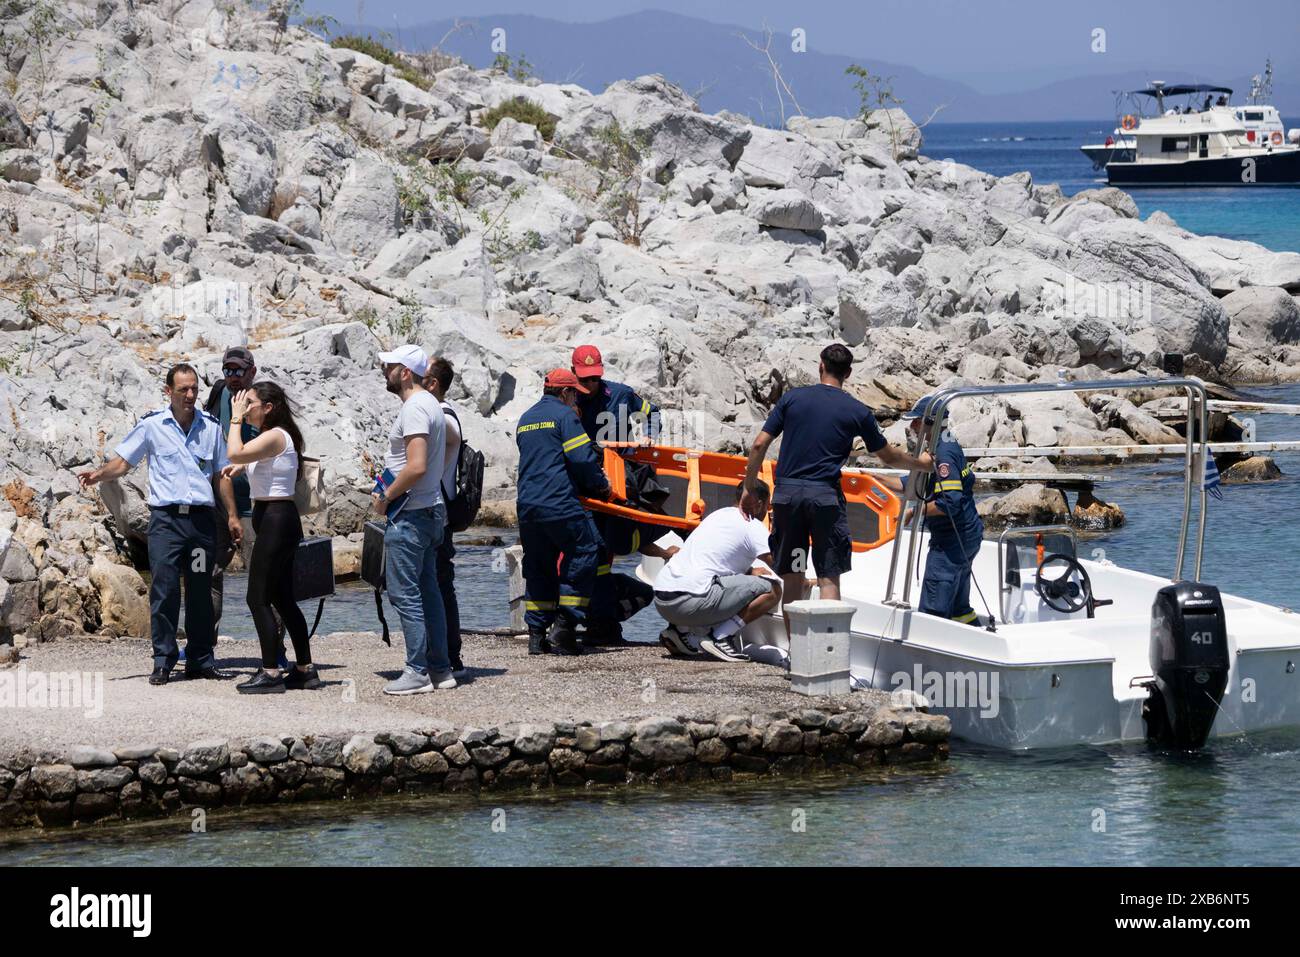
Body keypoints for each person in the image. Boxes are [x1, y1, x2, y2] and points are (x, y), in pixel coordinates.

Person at [740, 344, 932, 633]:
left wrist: (748, 487)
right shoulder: (857, 410)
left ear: (821, 366)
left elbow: (758, 444)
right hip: (824, 500)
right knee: (829, 575)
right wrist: (922, 464)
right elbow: (888, 456)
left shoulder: (792, 399)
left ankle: (797, 652)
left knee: (793, 574)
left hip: (788, 498)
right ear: (849, 374)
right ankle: (828, 650)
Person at [78, 363, 239, 685]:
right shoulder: (153, 426)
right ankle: (163, 661)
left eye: (194, 388)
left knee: (199, 592)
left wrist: (233, 515)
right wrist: (98, 475)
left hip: (200, 523)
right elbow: (124, 462)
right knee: (164, 591)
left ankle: (201, 660)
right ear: (169, 392)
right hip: (166, 523)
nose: (191, 395)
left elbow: (221, 474)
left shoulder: (209, 427)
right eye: (183, 389)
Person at [220, 382, 321, 693]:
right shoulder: (274, 437)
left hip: (277, 519)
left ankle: (271, 672)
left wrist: (235, 418)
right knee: (282, 597)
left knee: (257, 597)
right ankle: (305, 669)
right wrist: (243, 467)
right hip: (276, 518)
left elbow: (234, 449)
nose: (245, 406)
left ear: (268, 407)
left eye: (250, 402)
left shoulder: (276, 435)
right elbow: (254, 459)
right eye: (243, 403)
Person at [516, 368, 612, 656]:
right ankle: (565, 625)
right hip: (559, 503)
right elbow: (581, 459)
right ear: (565, 393)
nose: (578, 402)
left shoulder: (526, 418)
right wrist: (602, 486)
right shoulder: (564, 416)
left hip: (527, 507)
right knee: (587, 550)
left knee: (538, 565)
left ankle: (536, 635)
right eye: (576, 396)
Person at [376, 344, 454, 695]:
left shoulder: (415, 408)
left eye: (389, 366)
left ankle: (417, 671)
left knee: (404, 594)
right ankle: (440, 669)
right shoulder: (432, 405)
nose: (384, 371)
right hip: (429, 510)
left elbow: (417, 465)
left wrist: (386, 497)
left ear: (405, 372)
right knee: (428, 591)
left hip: (410, 515)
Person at [205, 346, 286, 664]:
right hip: (219, 504)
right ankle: (203, 648)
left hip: (255, 509)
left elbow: (275, 444)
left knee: (266, 581)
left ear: (252, 371)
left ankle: (275, 651)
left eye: (239, 371)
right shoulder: (219, 392)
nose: (233, 377)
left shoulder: (261, 402)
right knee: (208, 574)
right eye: (228, 370)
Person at [654, 481, 781, 663]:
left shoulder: (717, 515)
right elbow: (780, 564)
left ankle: (678, 631)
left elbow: (717, 557)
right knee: (773, 589)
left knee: (705, 578)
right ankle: (721, 637)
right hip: (689, 603)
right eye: (767, 506)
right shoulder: (752, 524)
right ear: (759, 504)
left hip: (662, 600)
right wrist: (800, 572)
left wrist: (750, 570)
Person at [895, 396, 985, 626]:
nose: (913, 426)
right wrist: (873, 479)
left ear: (930, 423)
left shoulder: (943, 455)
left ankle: (929, 658)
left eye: (917, 422)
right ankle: (973, 644)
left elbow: (950, 503)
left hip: (951, 543)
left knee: (933, 609)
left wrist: (915, 513)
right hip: (968, 535)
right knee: (958, 608)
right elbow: (917, 483)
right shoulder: (944, 443)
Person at [422, 356, 465, 677]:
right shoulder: (436, 414)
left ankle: (449, 657)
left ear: (433, 384)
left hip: (437, 514)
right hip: (435, 513)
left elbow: (451, 434)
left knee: (438, 584)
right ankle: (442, 655)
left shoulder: (442, 416)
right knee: (434, 584)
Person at [583, 516, 678, 646]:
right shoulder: (603, 522)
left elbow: (637, 543)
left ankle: (594, 623)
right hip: (583, 584)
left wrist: (665, 553)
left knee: (643, 592)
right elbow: (627, 543)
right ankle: (600, 626)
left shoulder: (585, 520)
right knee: (606, 585)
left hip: (572, 585)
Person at [571, 344, 660, 451]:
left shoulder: (622, 394)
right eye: (584, 379)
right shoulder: (565, 399)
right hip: (584, 463)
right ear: (573, 371)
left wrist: (648, 435)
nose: (590, 384)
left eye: (595, 378)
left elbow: (653, 414)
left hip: (621, 460)